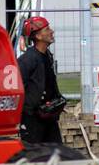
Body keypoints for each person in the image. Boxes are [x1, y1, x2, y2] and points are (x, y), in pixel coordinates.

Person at [17, 16, 65, 145]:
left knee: (57, 153)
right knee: (34, 156)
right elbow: (19, 87)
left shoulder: (47, 56)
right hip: (32, 120)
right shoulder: (27, 60)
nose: (52, 31)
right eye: (47, 29)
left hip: (48, 117)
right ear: (38, 36)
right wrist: (31, 109)